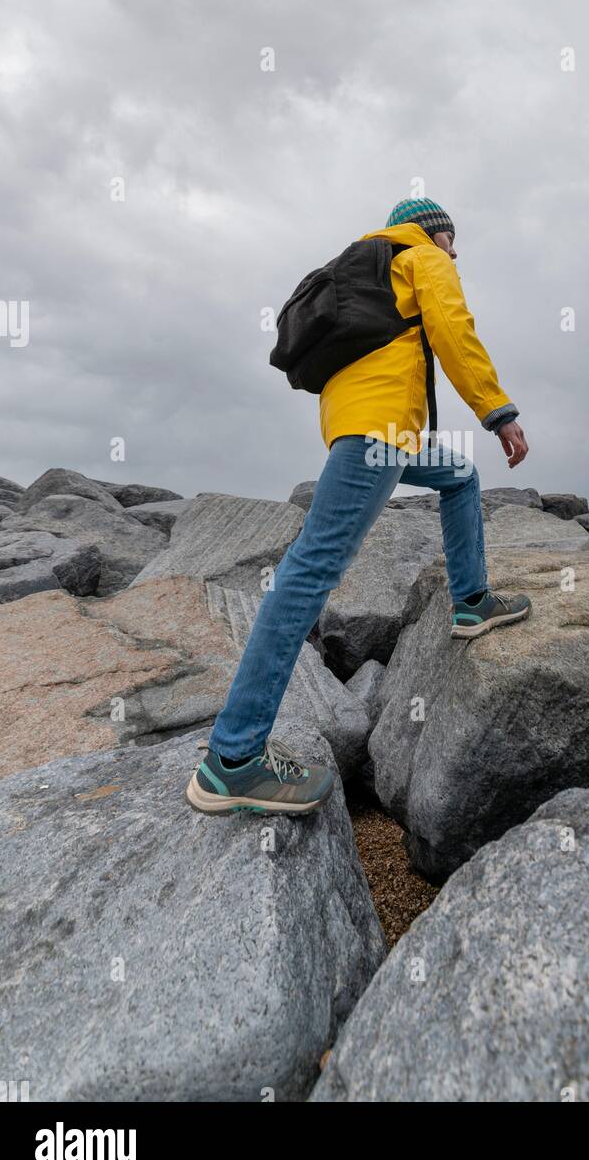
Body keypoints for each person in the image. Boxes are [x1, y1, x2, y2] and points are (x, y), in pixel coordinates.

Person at [186, 197, 531, 816]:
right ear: (435, 230)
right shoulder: (421, 255)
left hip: (366, 429)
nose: (457, 250)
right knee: (308, 572)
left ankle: (472, 603)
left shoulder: (362, 266)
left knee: (458, 475)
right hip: (382, 433)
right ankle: (232, 760)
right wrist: (497, 411)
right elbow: (455, 331)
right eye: (453, 237)